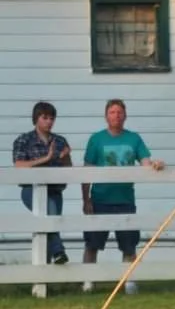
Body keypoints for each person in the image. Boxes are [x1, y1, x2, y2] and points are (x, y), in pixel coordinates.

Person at [82, 99, 165, 294]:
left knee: (129, 243)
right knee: (92, 242)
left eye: (119, 112)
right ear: (106, 116)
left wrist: (155, 164)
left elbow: (145, 162)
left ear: (125, 116)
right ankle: (87, 280)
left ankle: (129, 281)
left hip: (125, 199)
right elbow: (86, 171)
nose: (116, 116)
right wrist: (86, 199)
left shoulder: (133, 139)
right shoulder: (96, 139)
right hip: (100, 198)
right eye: (112, 112)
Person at [12, 101, 72, 265]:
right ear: (36, 119)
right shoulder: (24, 140)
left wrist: (65, 157)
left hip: (55, 190)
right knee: (49, 215)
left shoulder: (60, 141)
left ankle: (45, 278)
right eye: (45, 118)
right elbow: (19, 165)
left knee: (47, 229)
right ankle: (59, 251)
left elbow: (69, 168)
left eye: (51, 118)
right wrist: (45, 159)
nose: (49, 122)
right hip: (31, 189)